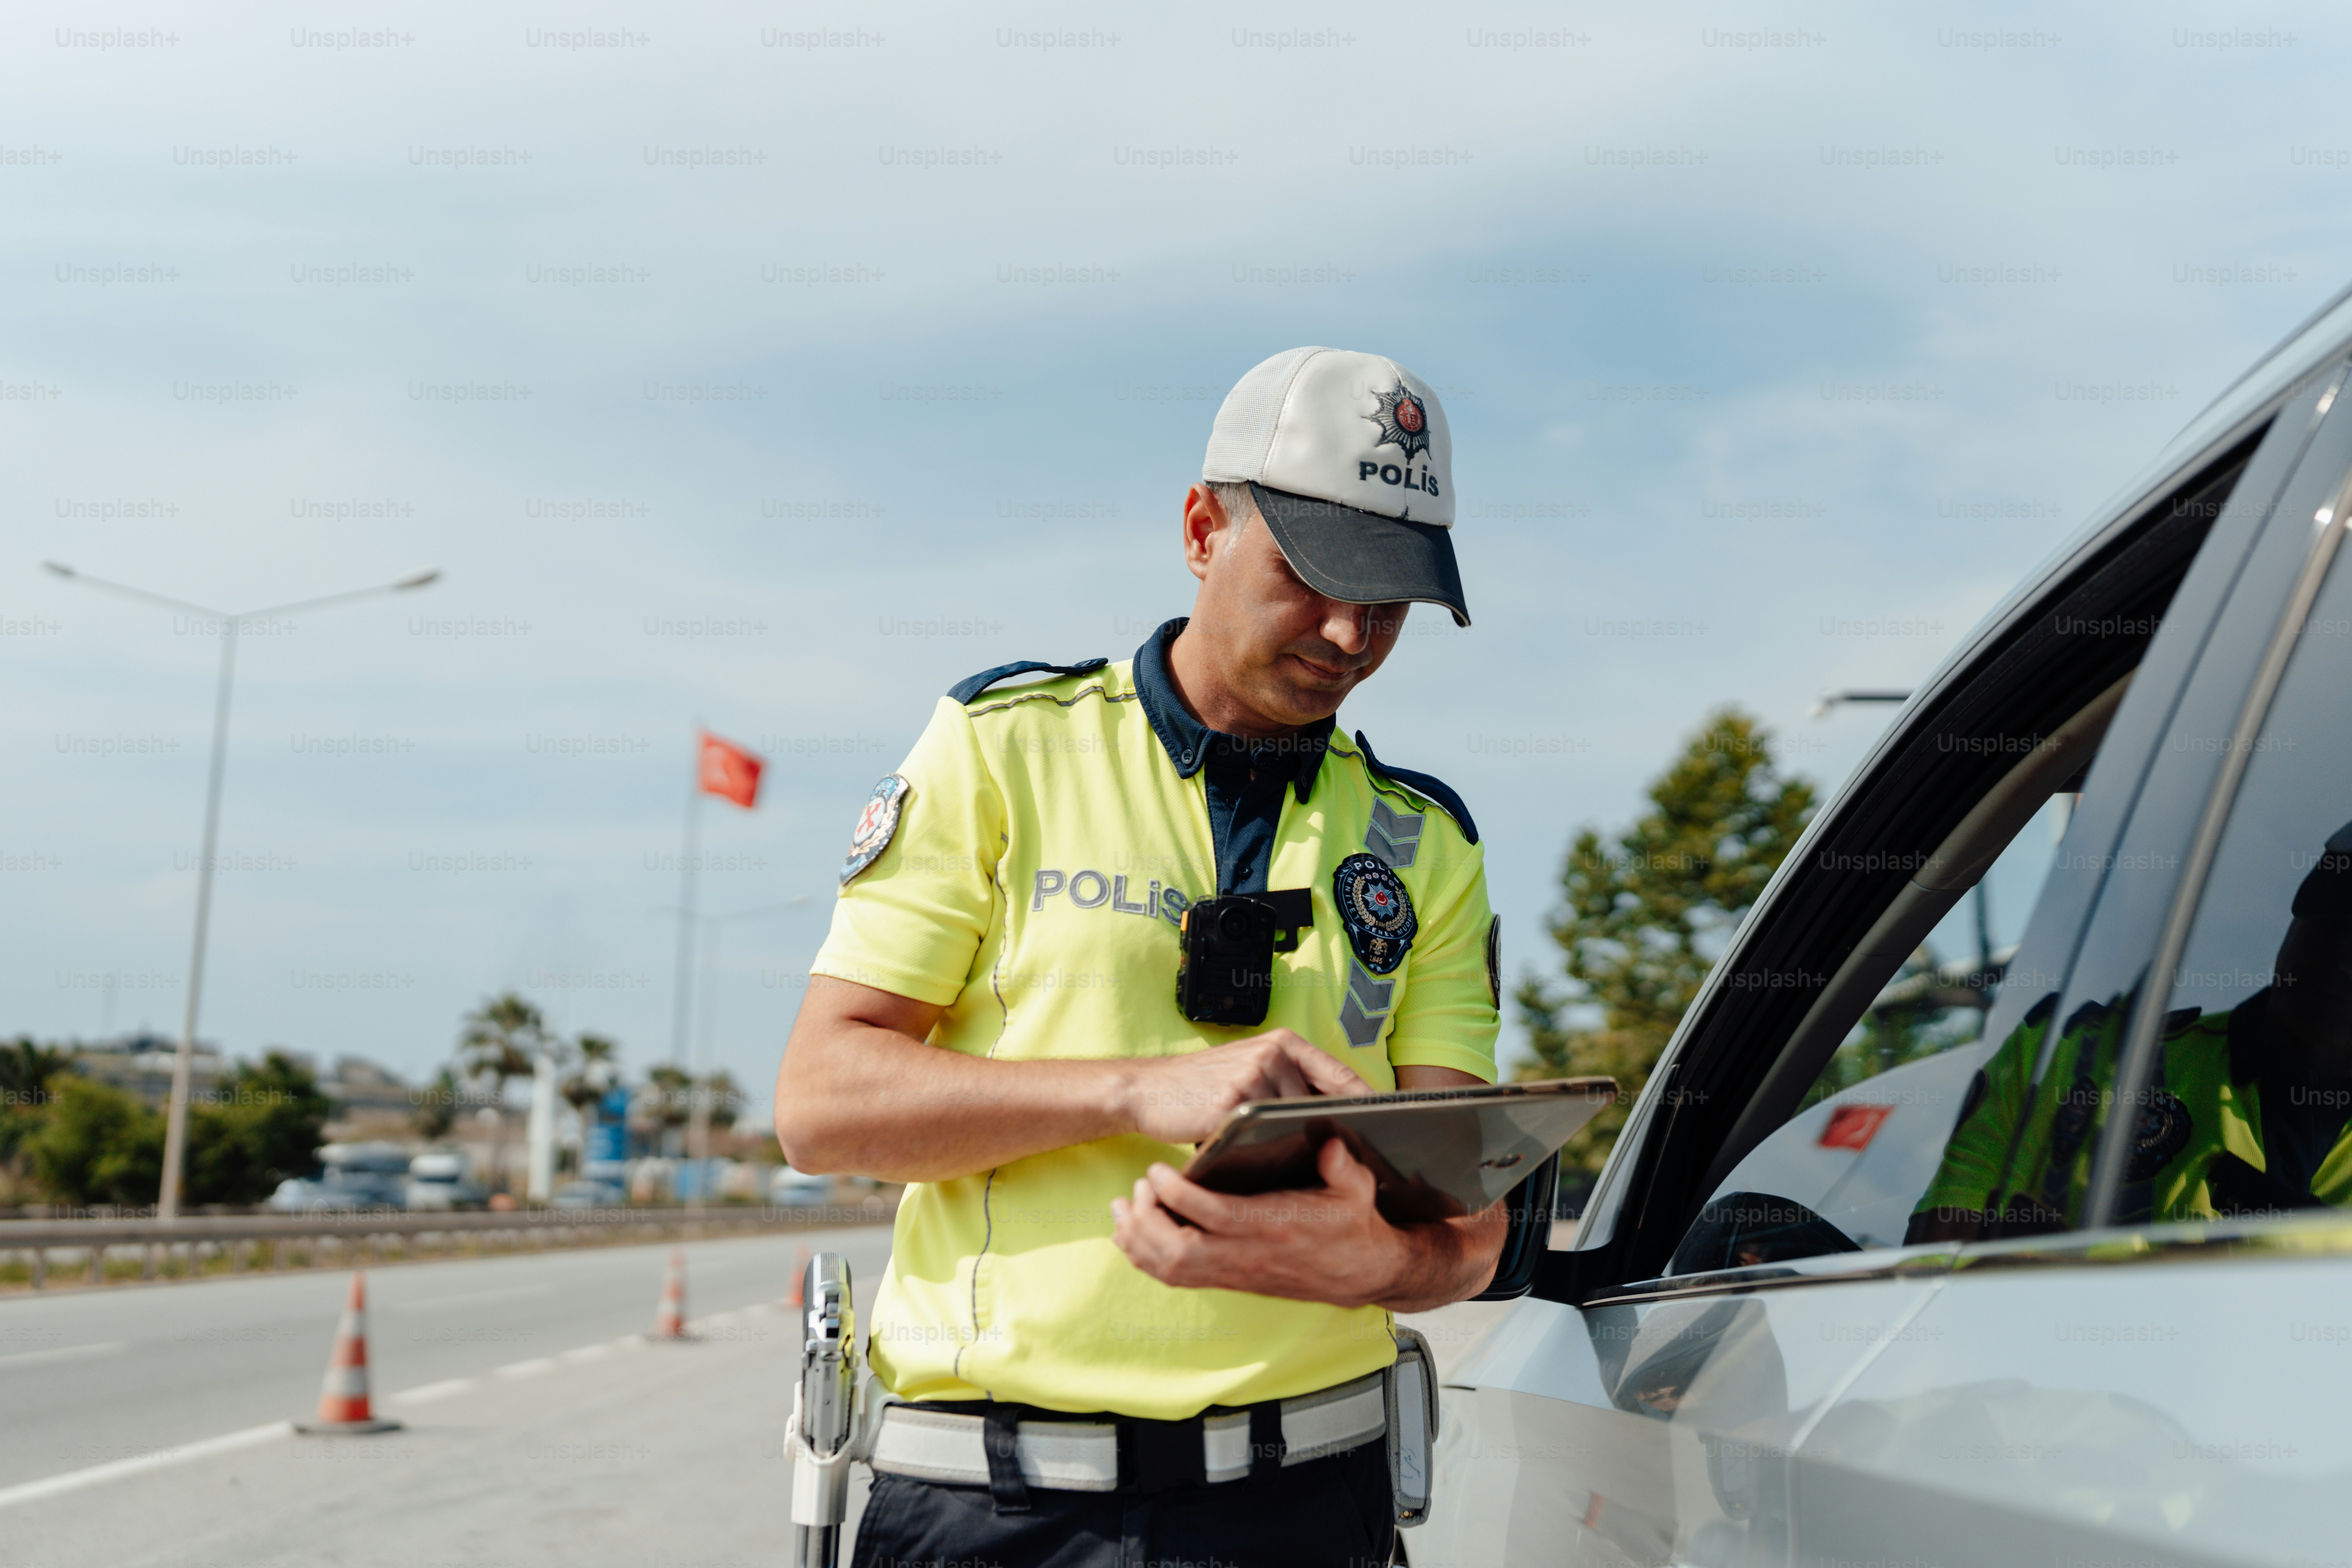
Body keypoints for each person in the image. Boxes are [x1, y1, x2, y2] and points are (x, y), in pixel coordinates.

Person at [775, 347, 1507, 1567]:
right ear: (1200, 529)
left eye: (1388, 601)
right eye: (1312, 575)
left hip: (1308, 1501)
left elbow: (1471, 1213)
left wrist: (1391, 1260)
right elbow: (820, 1107)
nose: (1346, 632)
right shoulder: (1001, 751)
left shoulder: (1424, 842)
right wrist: (1134, 1088)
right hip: (994, 1510)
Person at [1911, 821, 2352, 1239]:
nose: (2342, 964)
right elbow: (1934, 1270)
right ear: (2295, 922)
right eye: (2335, 923)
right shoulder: (2061, 1059)